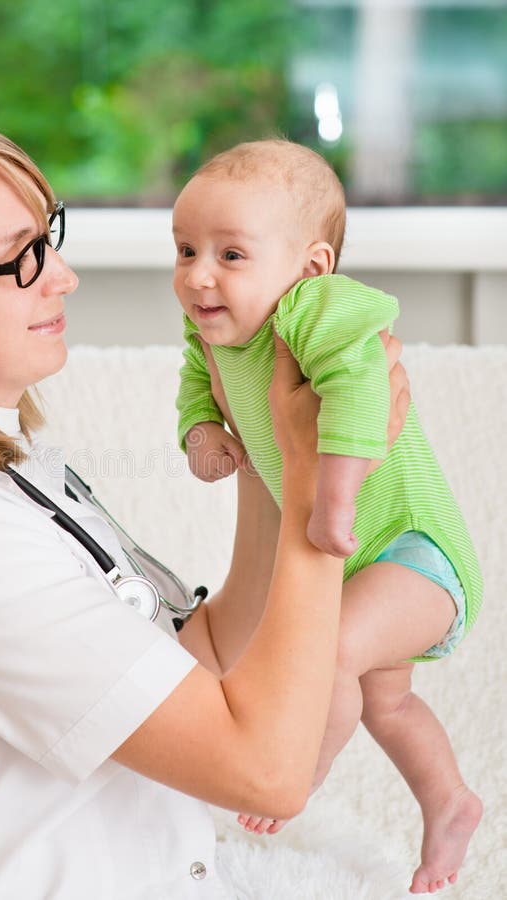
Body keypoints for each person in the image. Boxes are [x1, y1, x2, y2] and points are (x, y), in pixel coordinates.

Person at [0, 115, 408, 900]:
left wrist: (267, 444)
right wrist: (323, 505)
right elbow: (266, 773)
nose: (61, 275)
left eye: (49, 235)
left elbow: (201, 659)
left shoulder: (20, 471)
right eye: (20, 257)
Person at [173, 139, 483, 894]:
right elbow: (196, 389)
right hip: (361, 564)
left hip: (415, 553)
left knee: (330, 654)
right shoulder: (212, 330)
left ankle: (295, 770)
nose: (197, 275)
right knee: (388, 700)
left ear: (308, 266)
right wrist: (201, 435)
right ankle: (449, 803)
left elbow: (359, 391)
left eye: (230, 254)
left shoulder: (319, 309)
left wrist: (332, 498)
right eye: (184, 249)